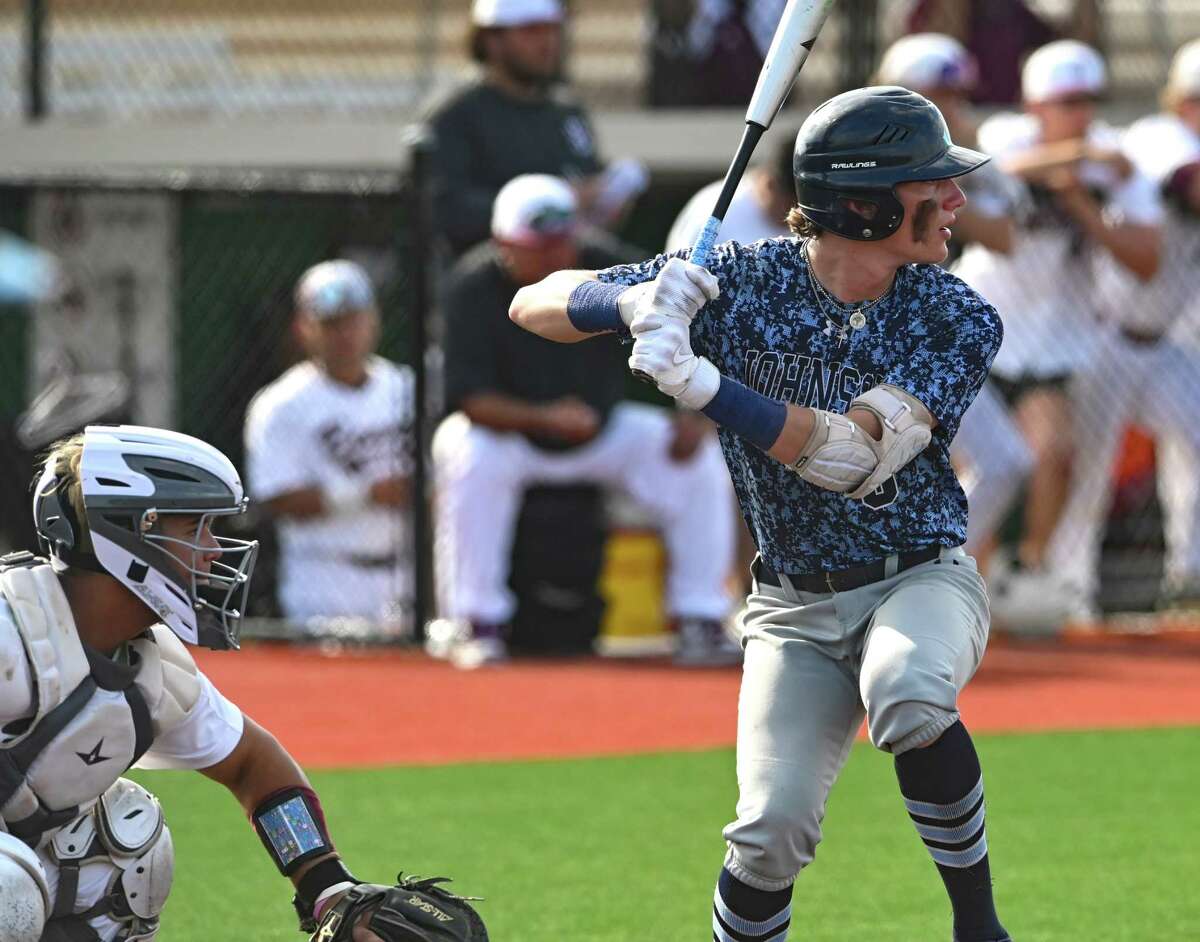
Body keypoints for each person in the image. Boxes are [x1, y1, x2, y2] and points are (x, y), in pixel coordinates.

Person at [511, 86, 1013, 942]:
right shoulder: (740, 281)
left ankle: (978, 926)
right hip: (792, 606)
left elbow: (853, 459)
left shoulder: (954, 312)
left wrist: (707, 387)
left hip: (919, 577)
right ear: (863, 206)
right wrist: (629, 303)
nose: (956, 201)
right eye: (932, 185)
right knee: (769, 832)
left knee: (906, 692)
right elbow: (533, 303)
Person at [0, 425, 485, 942]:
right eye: (194, 530)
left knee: (128, 843)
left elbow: (255, 766)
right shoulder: (13, 628)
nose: (212, 552)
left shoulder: (153, 668)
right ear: (126, 535)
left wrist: (328, 887)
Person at [431, 174, 736, 669]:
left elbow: (684, 319)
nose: (556, 256)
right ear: (504, 244)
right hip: (513, 436)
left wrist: (691, 411)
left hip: (602, 431)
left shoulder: (602, 261)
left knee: (696, 459)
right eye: (540, 246)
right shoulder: (472, 286)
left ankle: (700, 616)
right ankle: (475, 620)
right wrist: (544, 417)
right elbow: (469, 399)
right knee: (465, 450)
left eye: (562, 241)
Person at [951, 40, 1163, 618]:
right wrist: (1078, 158)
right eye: (1068, 101)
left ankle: (1032, 570)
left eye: (1090, 100)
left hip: (1053, 342)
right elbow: (989, 172)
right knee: (975, 470)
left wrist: (1085, 203)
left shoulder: (1110, 156)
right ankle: (967, 583)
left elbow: (1147, 259)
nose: (1081, 111)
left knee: (1053, 454)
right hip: (982, 331)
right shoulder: (1008, 134)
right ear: (1036, 104)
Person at [1039, 39, 1200, 612]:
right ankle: (1070, 592)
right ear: (1180, 101)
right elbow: (1190, 184)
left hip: (1165, 345)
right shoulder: (1161, 136)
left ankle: (1189, 579)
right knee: (1090, 478)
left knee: (1197, 440)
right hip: (1105, 337)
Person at [875, 32, 1032, 580]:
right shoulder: (867, 149)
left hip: (920, 332)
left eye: (957, 96)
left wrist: (966, 163)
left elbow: (1005, 231)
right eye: (939, 97)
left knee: (1006, 460)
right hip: (863, 330)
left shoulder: (955, 157)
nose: (953, 109)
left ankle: (926, 569)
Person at [243, 260, 415, 634]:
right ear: (303, 328)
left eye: (354, 319)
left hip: (406, 576)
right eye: (331, 323)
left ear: (374, 319)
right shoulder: (280, 404)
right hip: (323, 577)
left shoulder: (404, 386)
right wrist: (365, 494)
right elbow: (275, 497)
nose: (345, 334)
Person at [423, 0, 648, 258]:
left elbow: (586, 186)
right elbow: (446, 209)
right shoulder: (454, 112)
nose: (548, 43)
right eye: (532, 31)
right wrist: (550, 204)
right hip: (490, 273)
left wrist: (604, 200)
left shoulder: (566, 110)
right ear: (491, 39)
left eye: (553, 30)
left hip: (565, 274)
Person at [904, 0, 1102, 105]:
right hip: (960, 104)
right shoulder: (936, 7)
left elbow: (1048, 35)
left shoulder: (1012, 7)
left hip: (1002, 102)